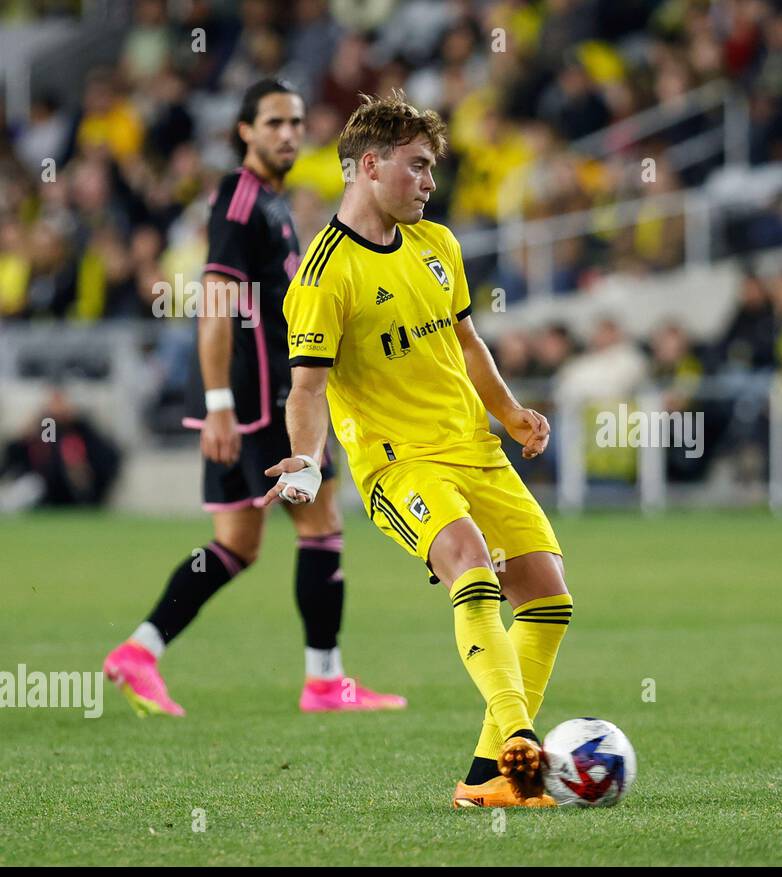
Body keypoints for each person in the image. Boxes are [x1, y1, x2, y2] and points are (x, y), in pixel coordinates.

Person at [265, 91, 573, 809]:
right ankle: (522, 758)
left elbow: (466, 341)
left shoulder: (438, 244)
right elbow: (306, 390)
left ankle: (482, 778)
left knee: (549, 597)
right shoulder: (323, 275)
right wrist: (308, 461)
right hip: (398, 463)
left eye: (432, 168)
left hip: (475, 449)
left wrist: (511, 413)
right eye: (419, 167)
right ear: (369, 166)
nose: (430, 182)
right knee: (472, 568)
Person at [103, 79, 405, 717]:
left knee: (237, 544)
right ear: (244, 130)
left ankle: (139, 650)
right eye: (273, 122)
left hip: (243, 399)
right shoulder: (242, 204)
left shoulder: (268, 203)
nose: (288, 133)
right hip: (262, 400)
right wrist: (219, 403)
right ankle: (325, 682)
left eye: (296, 122)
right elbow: (215, 306)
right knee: (322, 525)